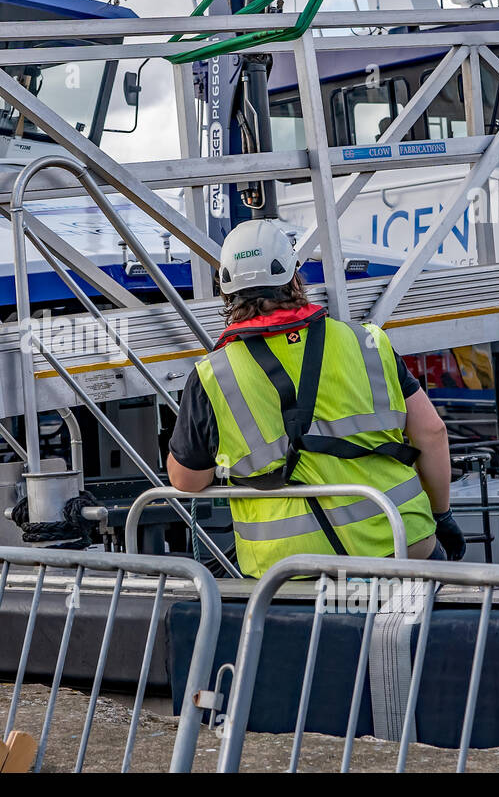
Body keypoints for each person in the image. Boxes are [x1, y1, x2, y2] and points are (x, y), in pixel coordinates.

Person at [166, 220, 466, 577]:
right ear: (295, 278)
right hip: (401, 543)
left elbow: (187, 481)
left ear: (226, 294)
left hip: (291, 572)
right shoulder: (368, 342)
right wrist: (441, 514)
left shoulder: (212, 376)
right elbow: (432, 433)